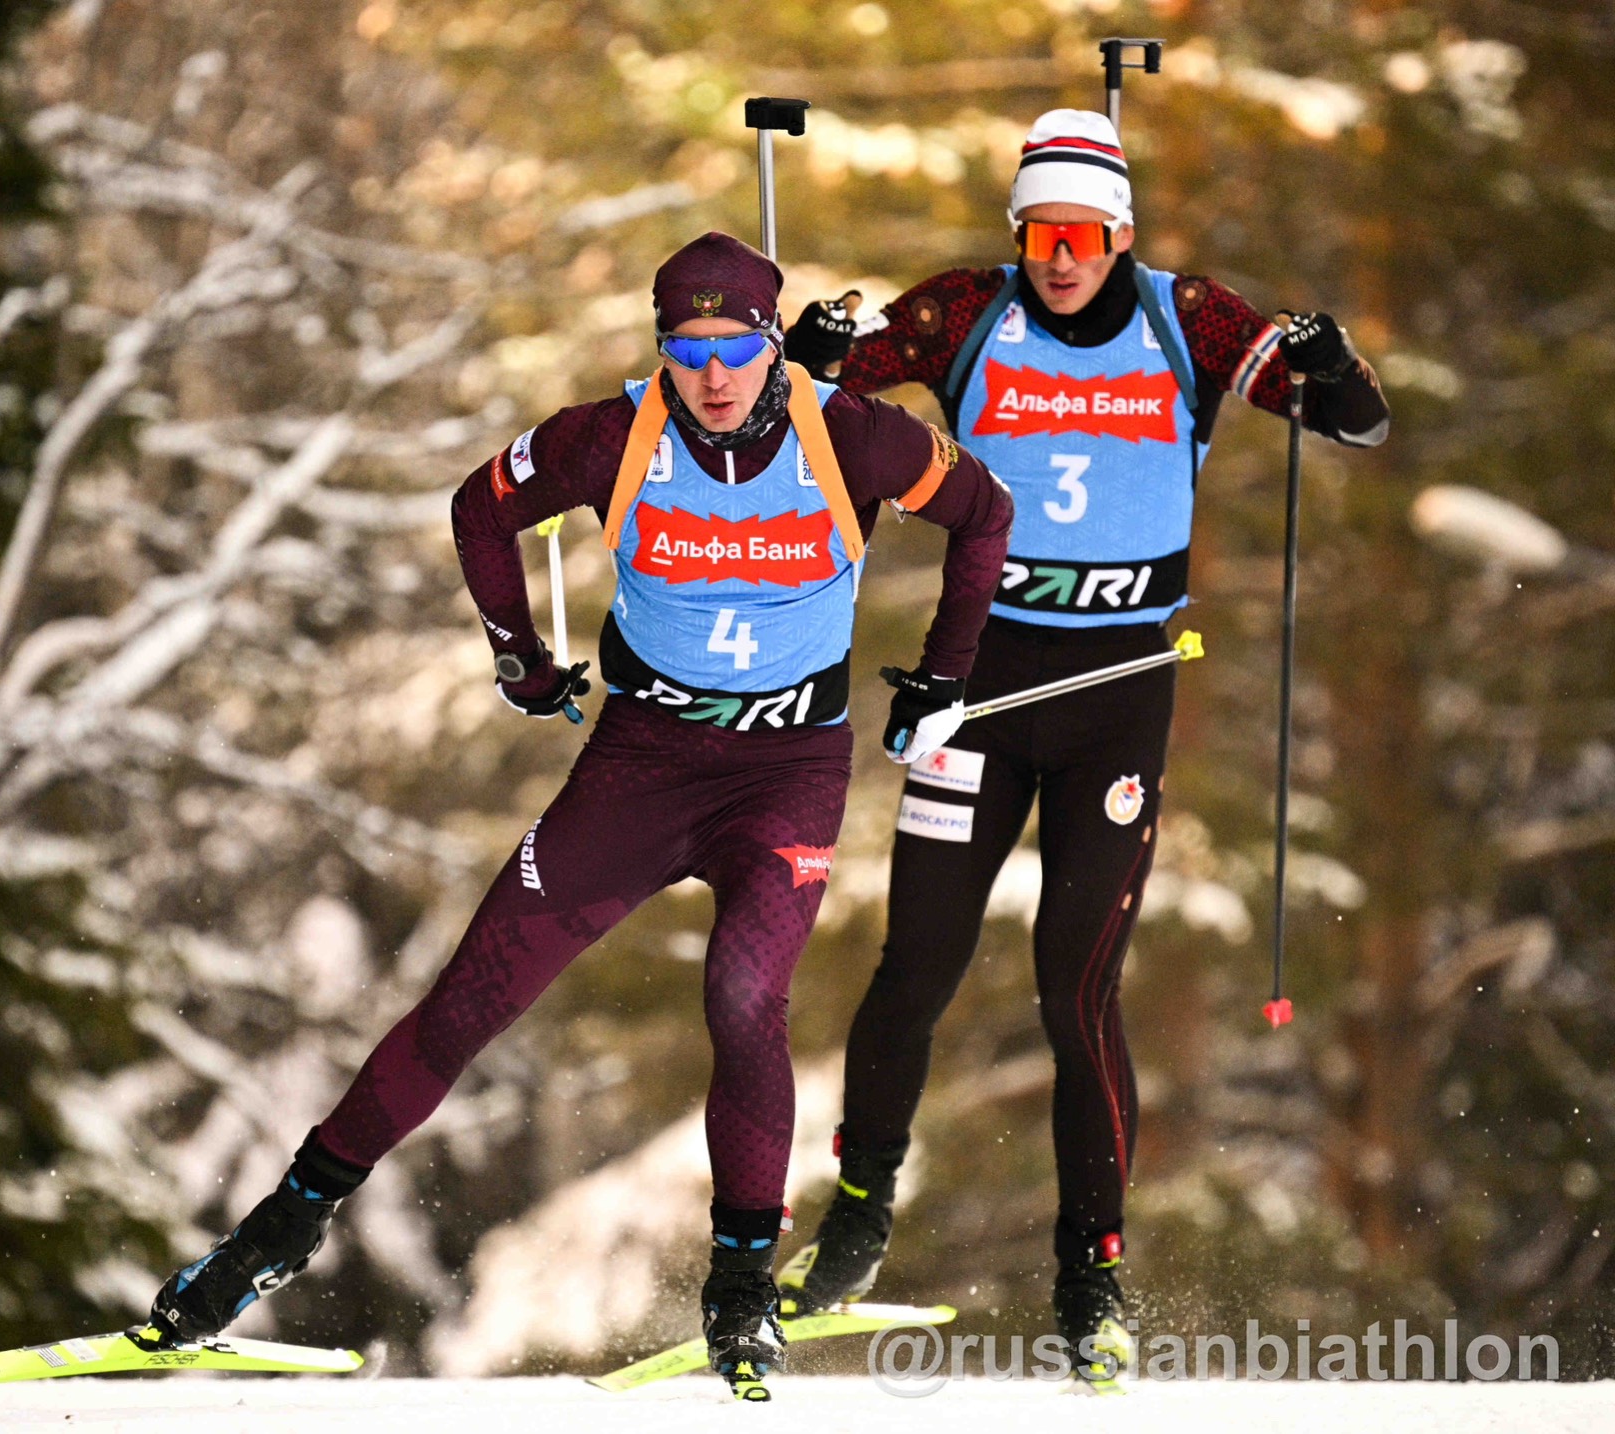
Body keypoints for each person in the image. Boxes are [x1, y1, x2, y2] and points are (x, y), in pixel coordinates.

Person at [140, 231, 1013, 1396]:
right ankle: (276, 1233)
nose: (712, 375)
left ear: (771, 344)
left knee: (744, 996)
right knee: (467, 1002)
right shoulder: (609, 436)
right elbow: (477, 509)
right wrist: (520, 663)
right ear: (661, 349)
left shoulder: (848, 433)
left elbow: (983, 513)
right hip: (640, 764)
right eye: (687, 349)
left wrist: (944, 678)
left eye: (737, 347)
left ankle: (742, 1290)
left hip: (785, 771)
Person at [778, 109, 1391, 1389]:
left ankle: (1089, 1280)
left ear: (1119, 234)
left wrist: (1332, 368)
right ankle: (853, 1220)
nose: (1060, 258)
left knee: (1078, 986)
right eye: (1041, 233)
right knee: (915, 967)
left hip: (1117, 690)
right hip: (979, 687)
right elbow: (806, 412)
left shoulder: (1187, 319)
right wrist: (808, 350)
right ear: (1020, 233)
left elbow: (1353, 421)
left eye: (1084, 235)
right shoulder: (962, 313)